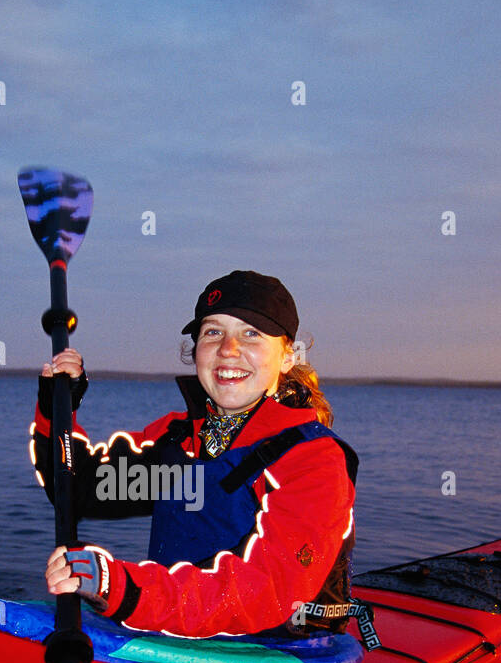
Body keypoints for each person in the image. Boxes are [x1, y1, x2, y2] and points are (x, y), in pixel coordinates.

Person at [31, 270, 358, 639]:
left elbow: (266, 591)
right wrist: (58, 407)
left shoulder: (314, 460)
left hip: (283, 659)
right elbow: (77, 490)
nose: (228, 349)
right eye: (213, 332)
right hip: (177, 642)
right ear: (195, 351)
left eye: (251, 332)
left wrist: (118, 586)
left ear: (286, 357)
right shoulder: (179, 442)